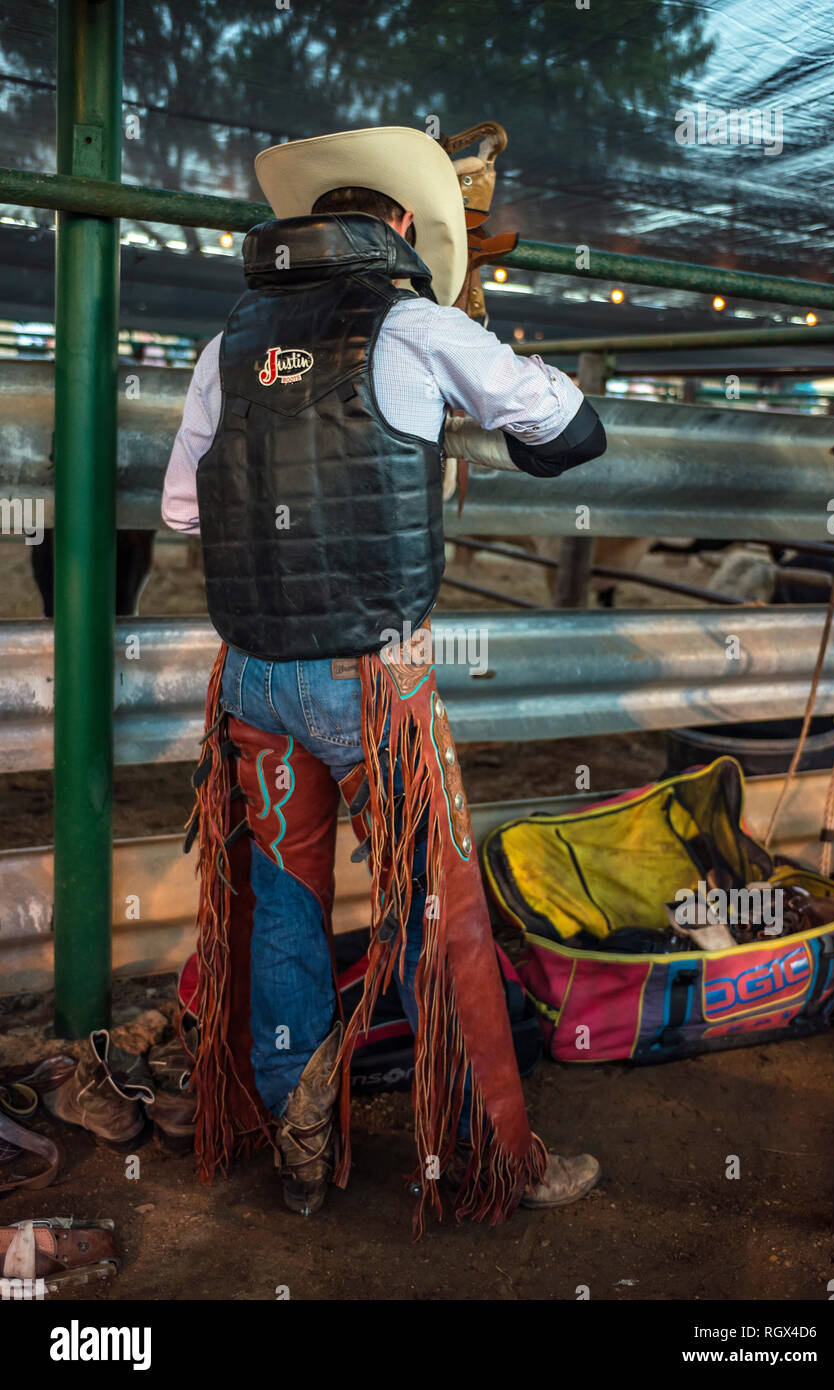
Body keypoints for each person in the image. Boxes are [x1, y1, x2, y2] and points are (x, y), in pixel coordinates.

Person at [162, 126, 607, 1235]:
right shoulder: (416, 323)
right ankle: (487, 1154)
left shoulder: (228, 343)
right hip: (374, 690)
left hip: (255, 683)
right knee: (437, 914)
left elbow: (181, 510)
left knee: (282, 908)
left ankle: (299, 1148)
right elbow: (568, 428)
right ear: (401, 227)